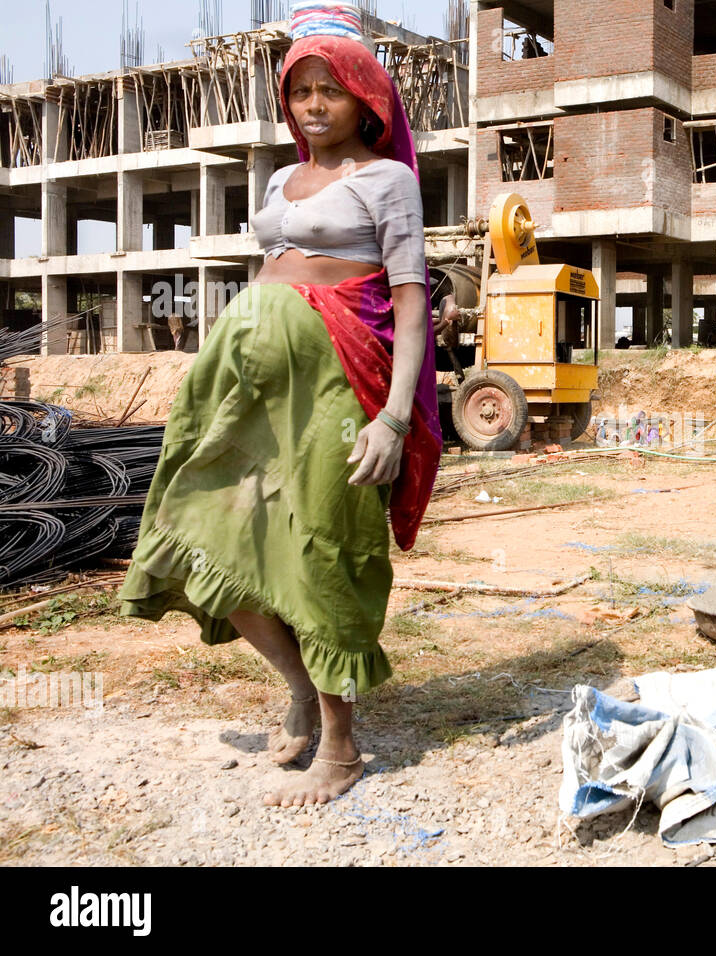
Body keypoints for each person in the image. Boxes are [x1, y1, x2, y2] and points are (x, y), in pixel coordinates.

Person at [117, 2, 445, 807]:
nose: (315, 105)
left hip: (337, 380)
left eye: (331, 90)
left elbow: (408, 303)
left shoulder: (389, 180)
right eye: (301, 92)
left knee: (324, 550)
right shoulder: (276, 177)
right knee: (195, 521)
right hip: (243, 380)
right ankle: (298, 685)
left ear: (366, 98)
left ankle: (340, 744)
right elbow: (276, 272)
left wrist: (395, 417)